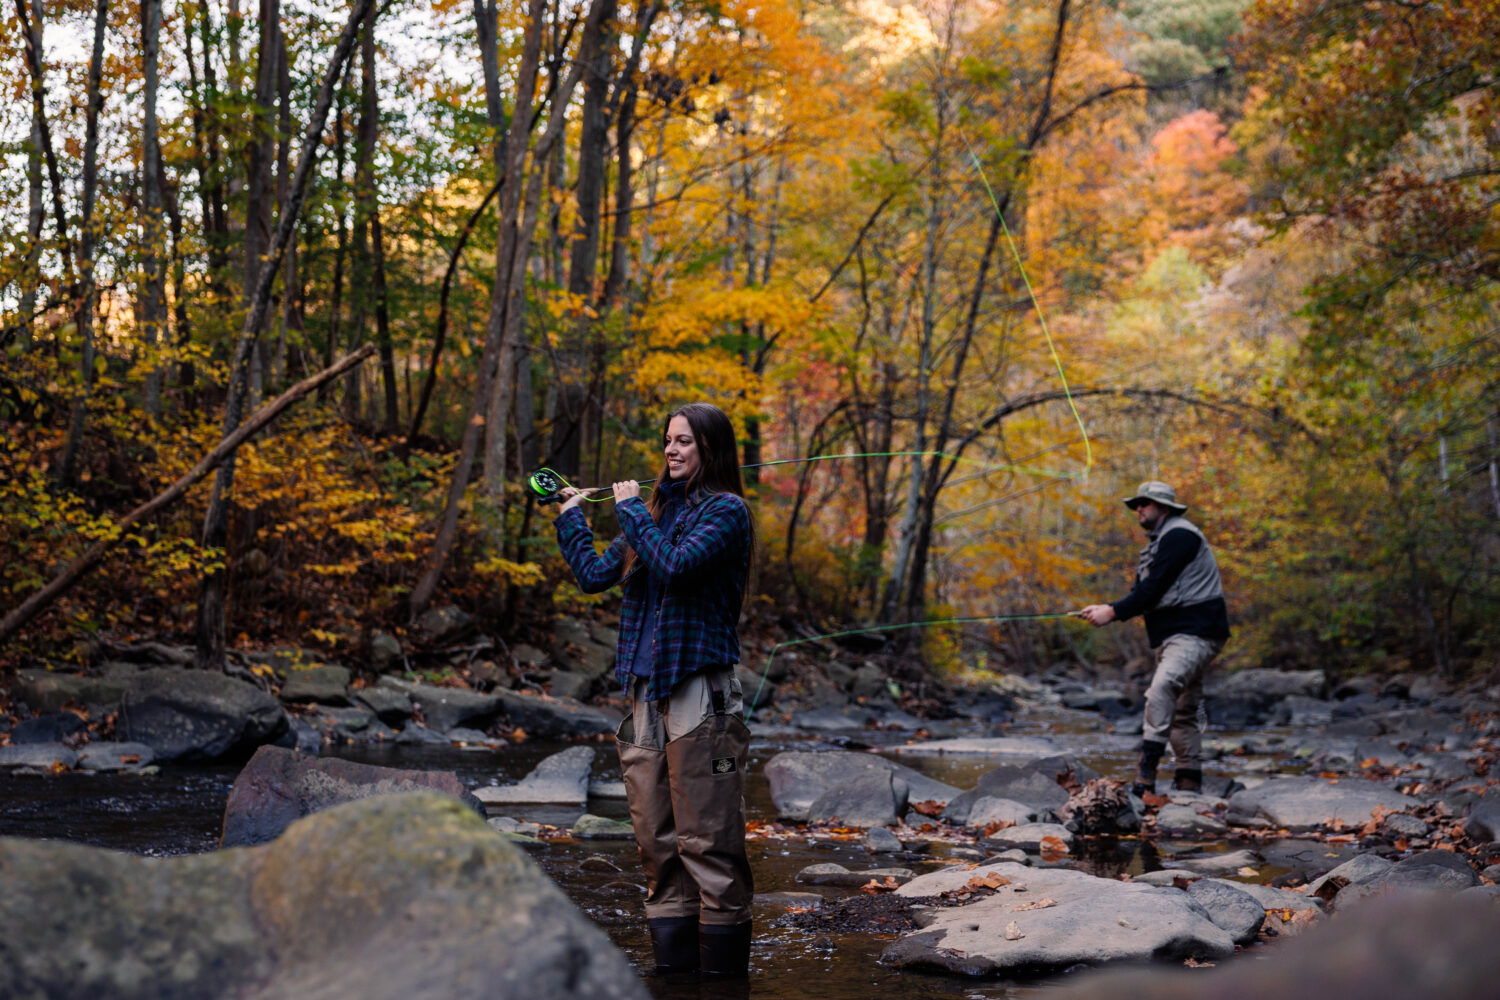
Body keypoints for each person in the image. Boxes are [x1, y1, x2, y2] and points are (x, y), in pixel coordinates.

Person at [552, 402, 755, 980]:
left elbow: (676, 566)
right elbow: (595, 576)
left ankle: (721, 989)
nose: (671, 450)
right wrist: (572, 514)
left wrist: (631, 509)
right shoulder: (656, 512)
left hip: (698, 692)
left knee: (708, 844)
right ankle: (675, 983)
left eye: (684, 442)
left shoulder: (727, 512)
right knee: (659, 848)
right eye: (667, 439)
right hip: (644, 695)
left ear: (709, 449)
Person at [1079, 480, 1230, 796]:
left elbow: (1153, 590)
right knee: (1184, 709)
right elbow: (1142, 592)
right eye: (1136, 505)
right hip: (1175, 635)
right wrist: (1106, 608)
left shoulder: (1180, 536)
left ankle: (1144, 777)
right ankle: (1189, 783)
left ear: (1163, 506)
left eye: (1144, 504)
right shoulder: (1162, 541)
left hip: (1195, 633)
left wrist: (1112, 612)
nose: (1138, 510)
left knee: (1162, 688)